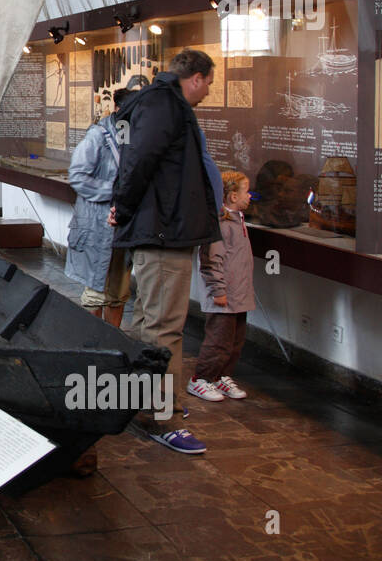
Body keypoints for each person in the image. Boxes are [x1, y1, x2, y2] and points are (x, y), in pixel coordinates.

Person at [108, 49, 221, 455]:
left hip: (164, 230)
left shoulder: (163, 103)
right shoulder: (164, 104)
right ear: (196, 77)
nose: (208, 91)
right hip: (163, 233)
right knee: (164, 329)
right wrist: (123, 207)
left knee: (147, 322)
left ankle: (138, 403)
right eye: (209, 82)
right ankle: (161, 416)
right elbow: (138, 162)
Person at [66, 88, 134, 328]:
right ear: (117, 109)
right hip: (97, 225)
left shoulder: (132, 135)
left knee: (118, 291)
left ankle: (114, 344)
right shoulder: (97, 136)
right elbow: (77, 176)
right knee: (96, 290)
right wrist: (114, 192)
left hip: (122, 227)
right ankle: (95, 345)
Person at [191, 170, 254, 401]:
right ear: (232, 197)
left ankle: (221, 376)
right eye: (246, 192)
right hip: (224, 296)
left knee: (235, 342)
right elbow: (210, 261)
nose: (251, 196)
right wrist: (218, 290)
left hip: (238, 295)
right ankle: (201, 379)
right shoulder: (221, 225)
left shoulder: (237, 221)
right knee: (218, 342)